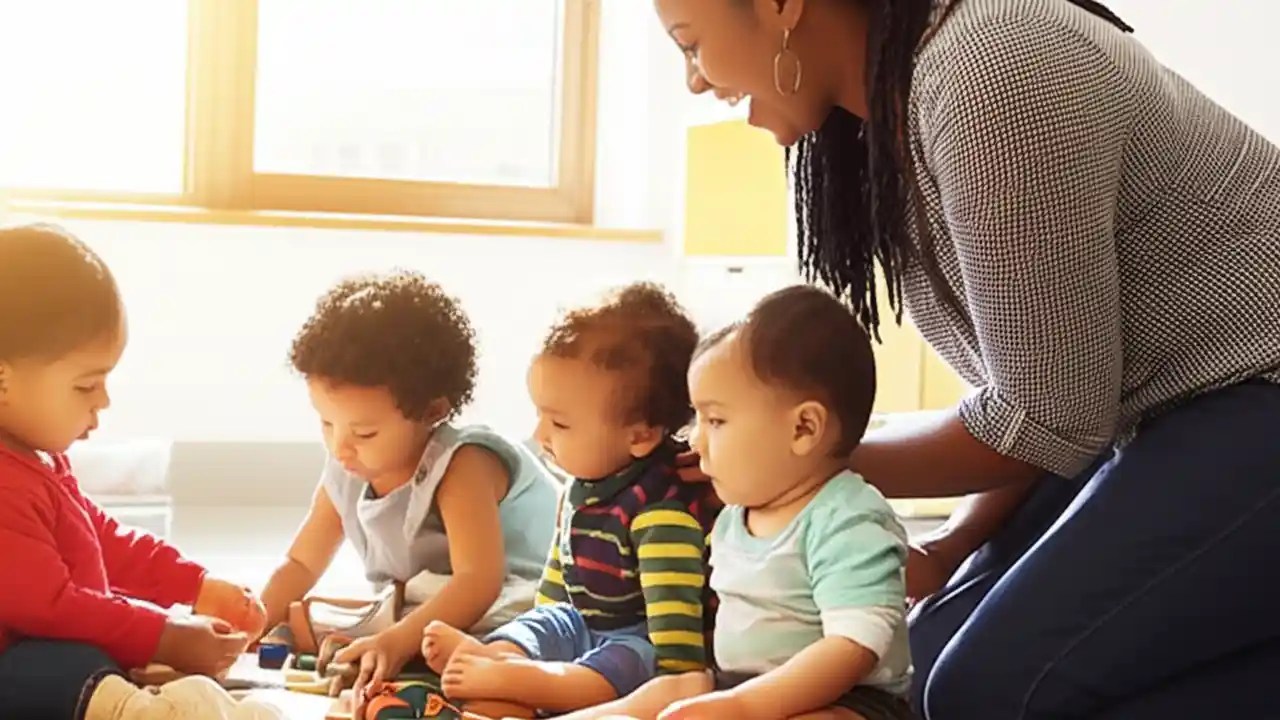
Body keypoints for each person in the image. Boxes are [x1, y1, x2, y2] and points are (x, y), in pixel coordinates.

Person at [653, 0, 1280, 717]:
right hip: (1165, 421)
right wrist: (951, 544)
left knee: (983, 692)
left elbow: (1045, 418)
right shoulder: (897, 112)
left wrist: (793, 461)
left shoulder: (993, 68)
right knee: (921, 662)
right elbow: (1041, 391)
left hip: (1256, 392)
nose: (694, 81)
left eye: (690, 43)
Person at [552, 285, 914, 720]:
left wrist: (743, 707)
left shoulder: (847, 518)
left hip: (848, 700)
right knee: (670, 689)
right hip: (737, 684)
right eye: (696, 419)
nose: (694, 439)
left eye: (716, 419)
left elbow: (852, 649)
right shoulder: (734, 516)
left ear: (803, 428)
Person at [0, 223, 267, 719]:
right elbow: (51, 606)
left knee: (92, 651)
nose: (103, 401)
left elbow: (101, 539)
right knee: (51, 665)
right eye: (86, 386)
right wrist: (163, 637)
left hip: (60, 657)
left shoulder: (39, 457)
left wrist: (194, 586)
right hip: (21, 674)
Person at [258, 270, 559, 709]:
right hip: (426, 604)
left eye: (363, 432)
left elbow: (480, 582)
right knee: (302, 614)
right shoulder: (347, 466)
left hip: (515, 601)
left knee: (485, 654)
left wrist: (398, 642)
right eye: (326, 422)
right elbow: (301, 562)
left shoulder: (463, 463)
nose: (340, 446)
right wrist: (252, 619)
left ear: (431, 411)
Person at [421, 282, 720, 718]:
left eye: (559, 423)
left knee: (610, 672)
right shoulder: (581, 485)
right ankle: (507, 669)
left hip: (638, 640)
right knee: (534, 627)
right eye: (540, 415)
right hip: (581, 622)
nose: (540, 435)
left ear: (640, 435)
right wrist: (535, 636)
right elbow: (557, 579)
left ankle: (515, 679)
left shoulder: (660, 513)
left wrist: (674, 685)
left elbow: (674, 628)